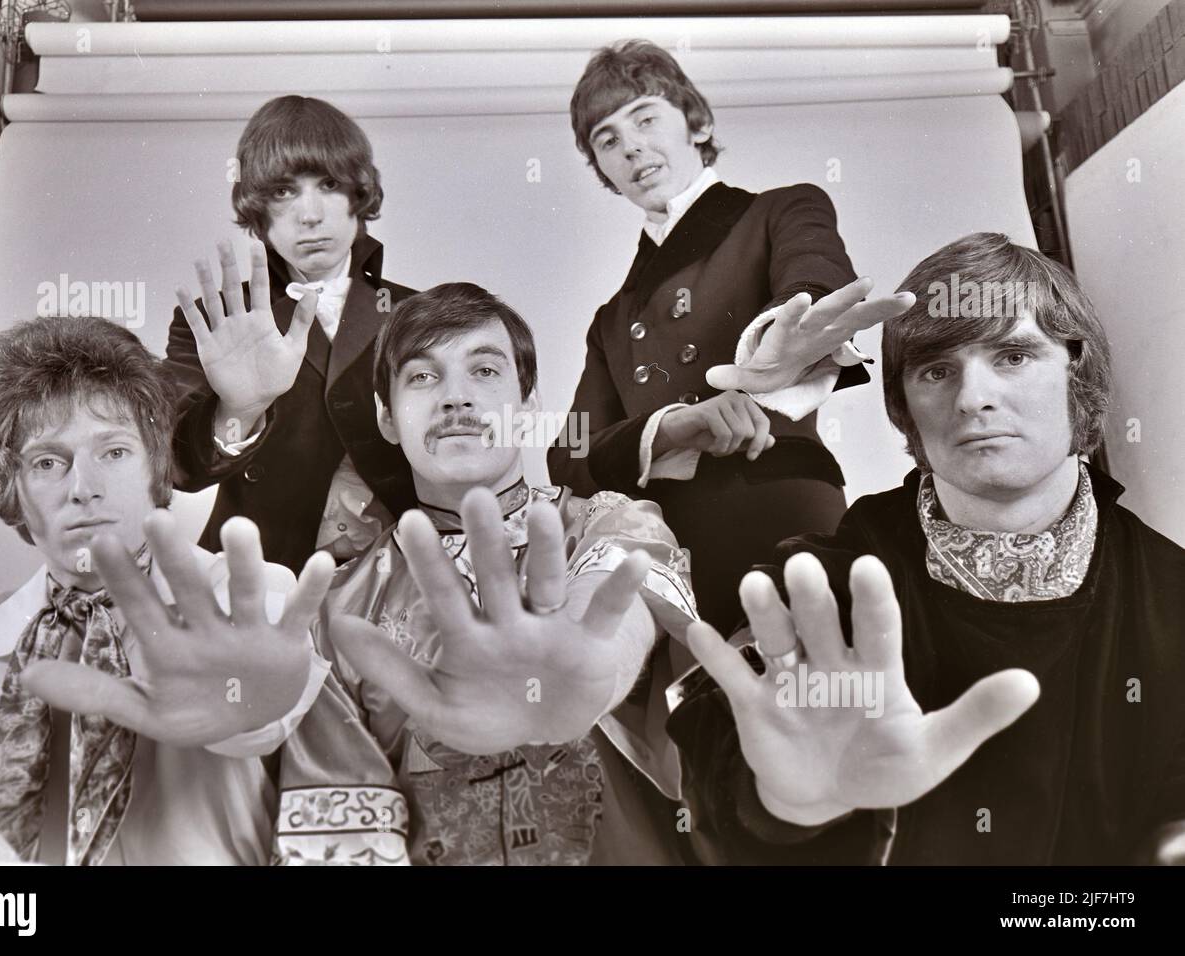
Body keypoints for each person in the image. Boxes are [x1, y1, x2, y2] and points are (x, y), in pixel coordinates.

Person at [669, 233, 1185, 865]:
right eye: (937, 370)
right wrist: (784, 808)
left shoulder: (1175, 597)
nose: (973, 398)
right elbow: (715, 785)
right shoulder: (815, 589)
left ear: (1080, 375)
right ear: (904, 406)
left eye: (1014, 356)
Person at [274, 282, 700, 865]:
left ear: (527, 403)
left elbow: (620, 605)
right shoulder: (336, 612)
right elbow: (340, 842)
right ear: (386, 417)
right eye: (422, 377)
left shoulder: (609, 524)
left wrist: (586, 666)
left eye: (484, 371)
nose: (455, 399)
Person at [0, 316, 330, 865]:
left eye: (114, 452)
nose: (83, 489)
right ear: (11, 493)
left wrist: (242, 701)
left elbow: (263, 720)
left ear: (156, 467)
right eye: (48, 462)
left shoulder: (243, 590)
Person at [549, 39, 914, 632]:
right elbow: (569, 457)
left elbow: (812, 277)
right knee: (694, 719)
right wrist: (667, 428)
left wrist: (780, 342)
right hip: (665, 553)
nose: (631, 145)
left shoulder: (781, 210)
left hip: (778, 515)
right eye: (607, 139)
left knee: (809, 697)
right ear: (604, 172)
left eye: (645, 118)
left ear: (697, 122)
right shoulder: (612, 316)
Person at [165, 95, 417, 576]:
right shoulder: (215, 317)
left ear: (359, 193)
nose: (310, 214)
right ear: (256, 207)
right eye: (283, 191)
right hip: (253, 578)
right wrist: (238, 408)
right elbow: (178, 468)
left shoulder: (420, 314)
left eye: (328, 184)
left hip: (399, 580)